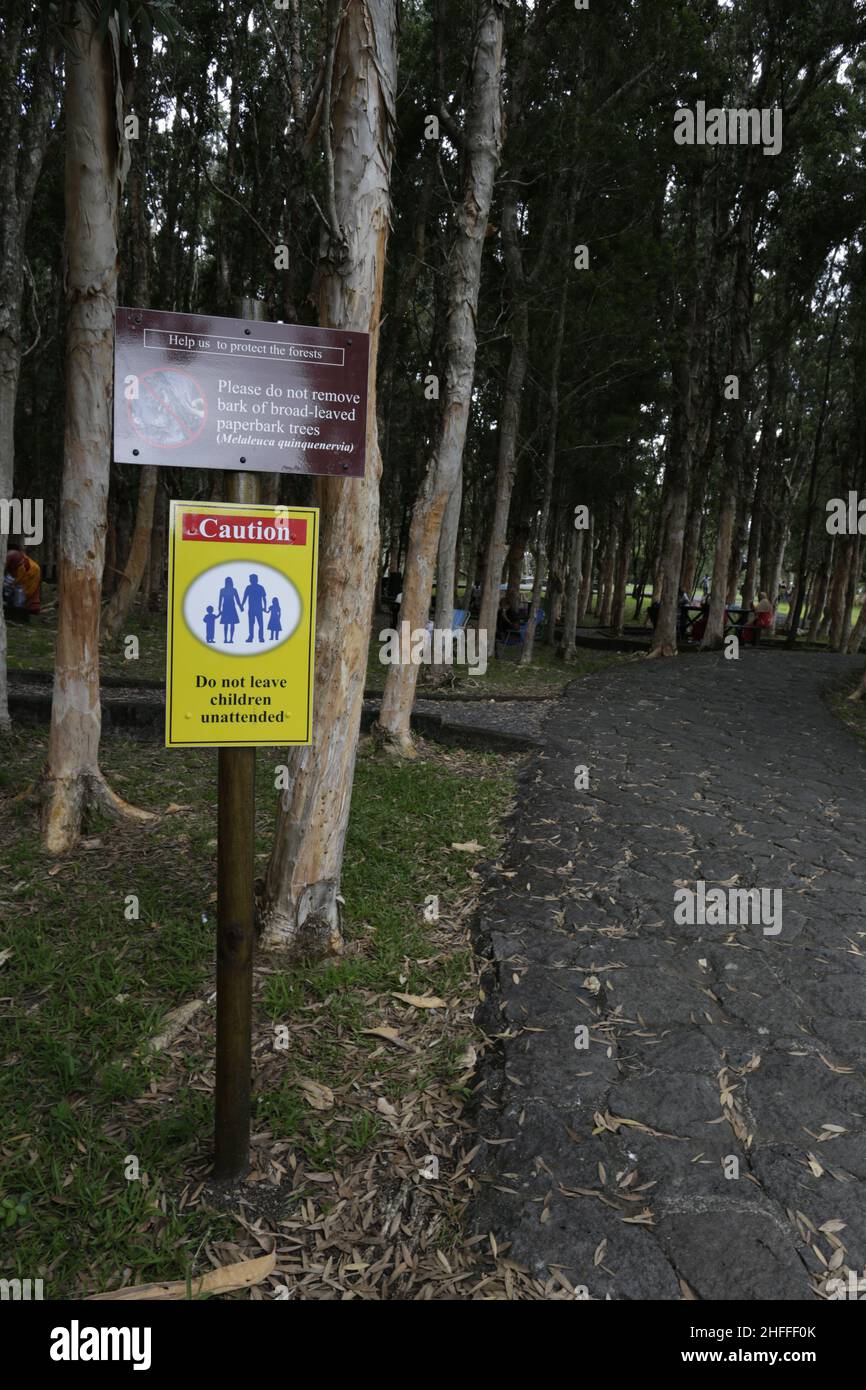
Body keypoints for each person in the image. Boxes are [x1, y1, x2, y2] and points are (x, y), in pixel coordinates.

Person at [4, 549, 41, 615]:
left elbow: (19, 578)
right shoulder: (9, 559)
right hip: (17, 574)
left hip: (31, 573)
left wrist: (13, 584)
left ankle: (22, 608)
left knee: (22, 591)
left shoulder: (20, 562)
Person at [241, 572, 268, 643]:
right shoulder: (249, 588)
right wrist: (242, 605)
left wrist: (265, 607)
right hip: (252, 609)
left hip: (259, 609)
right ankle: (251, 637)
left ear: (256, 579)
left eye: (252, 579)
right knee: (251, 623)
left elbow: (264, 598)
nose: (251, 580)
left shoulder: (260, 587)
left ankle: (261, 637)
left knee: (260, 624)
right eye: (251, 579)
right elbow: (245, 597)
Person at [217, 576, 241, 644]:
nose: (228, 583)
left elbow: (237, 599)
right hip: (226, 607)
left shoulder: (234, 590)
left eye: (228, 581)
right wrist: (219, 608)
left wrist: (240, 607)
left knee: (232, 624)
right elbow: (220, 599)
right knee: (226, 624)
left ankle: (231, 639)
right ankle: (225, 639)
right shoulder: (222, 590)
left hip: (231, 607)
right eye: (227, 581)